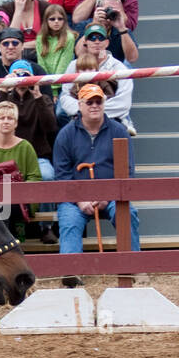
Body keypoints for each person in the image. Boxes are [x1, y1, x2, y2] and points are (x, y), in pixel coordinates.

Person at [52, 83, 139, 276]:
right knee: (69, 220)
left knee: (128, 214)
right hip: (75, 201)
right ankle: (71, 272)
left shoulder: (119, 132)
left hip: (113, 198)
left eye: (98, 101)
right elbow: (62, 175)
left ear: (104, 104)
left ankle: (132, 267)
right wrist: (80, 200)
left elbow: (126, 171)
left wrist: (107, 197)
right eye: (89, 102)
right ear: (80, 105)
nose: (94, 106)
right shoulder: (65, 135)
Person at [0, 99, 43, 239]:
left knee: (3, 205)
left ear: (16, 123)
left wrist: (19, 189)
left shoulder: (25, 147)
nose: (6, 121)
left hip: (21, 200)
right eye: (1, 118)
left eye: (10, 118)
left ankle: (7, 243)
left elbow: (34, 177)